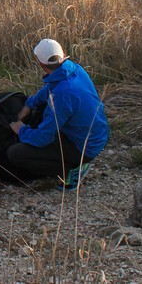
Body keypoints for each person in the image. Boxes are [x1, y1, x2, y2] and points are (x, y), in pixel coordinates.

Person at [7, 38, 109, 190]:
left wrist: (22, 130)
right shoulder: (75, 69)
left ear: (40, 63)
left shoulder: (62, 95)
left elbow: (43, 137)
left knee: (15, 153)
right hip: (98, 133)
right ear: (63, 55)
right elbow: (51, 87)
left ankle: (71, 170)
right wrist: (30, 104)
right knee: (42, 112)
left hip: (84, 147)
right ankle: (70, 161)